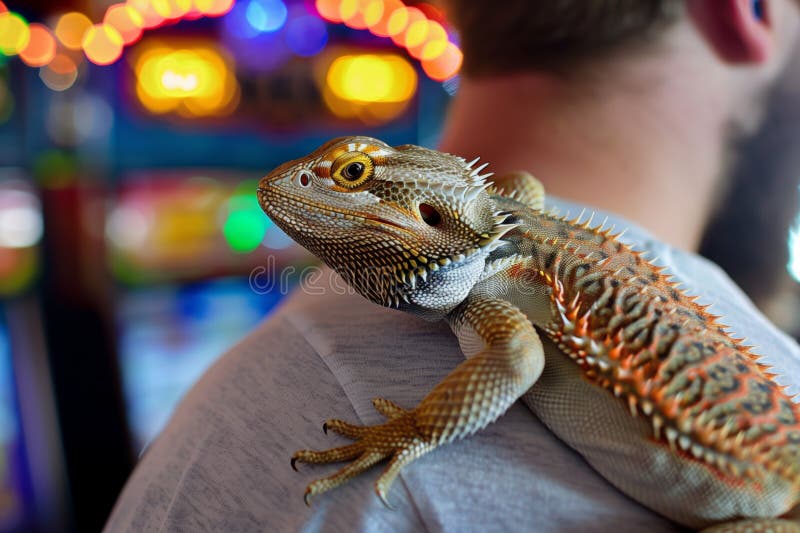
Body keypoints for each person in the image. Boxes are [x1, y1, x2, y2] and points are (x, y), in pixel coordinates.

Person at [105, 1, 800, 531]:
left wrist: (410, 429)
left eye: (350, 174)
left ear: (436, 220)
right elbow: (518, 197)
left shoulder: (496, 281)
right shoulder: (766, 338)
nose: (317, 188)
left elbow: (518, 356)